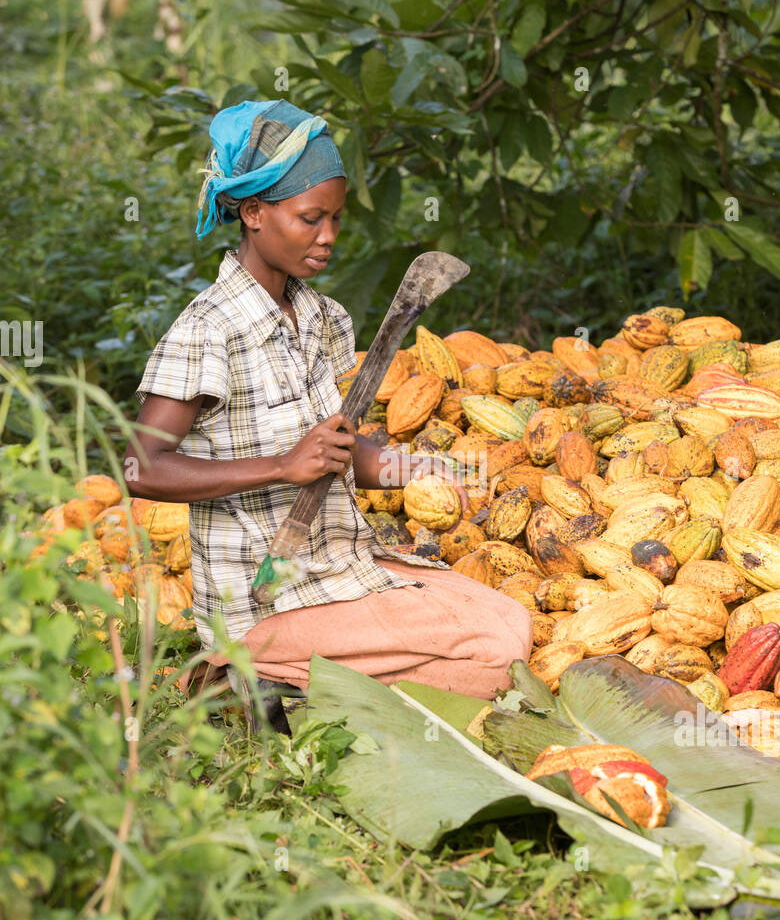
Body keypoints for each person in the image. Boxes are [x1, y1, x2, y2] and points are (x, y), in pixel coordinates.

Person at [125, 99, 532, 726]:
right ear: (254, 213)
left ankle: (297, 683)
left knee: (509, 616)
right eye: (311, 218)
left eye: (337, 219)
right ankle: (237, 668)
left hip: (335, 562)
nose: (329, 237)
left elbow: (341, 452)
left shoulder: (322, 318)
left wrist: (412, 469)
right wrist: (283, 466)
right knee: (494, 651)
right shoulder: (207, 329)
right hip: (262, 594)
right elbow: (142, 469)